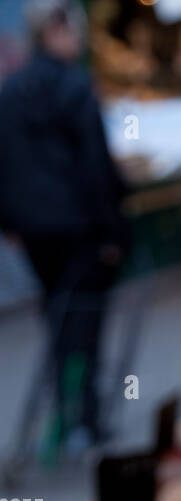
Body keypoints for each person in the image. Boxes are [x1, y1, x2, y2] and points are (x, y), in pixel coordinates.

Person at [0, 0, 129, 458]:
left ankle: (69, 413)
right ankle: (82, 417)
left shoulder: (11, 91)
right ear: (54, 31)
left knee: (58, 318)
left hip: (38, 231)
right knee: (84, 322)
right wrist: (112, 231)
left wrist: (11, 222)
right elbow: (97, 167)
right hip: (77, 229)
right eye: (72, 30)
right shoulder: (73, 89)